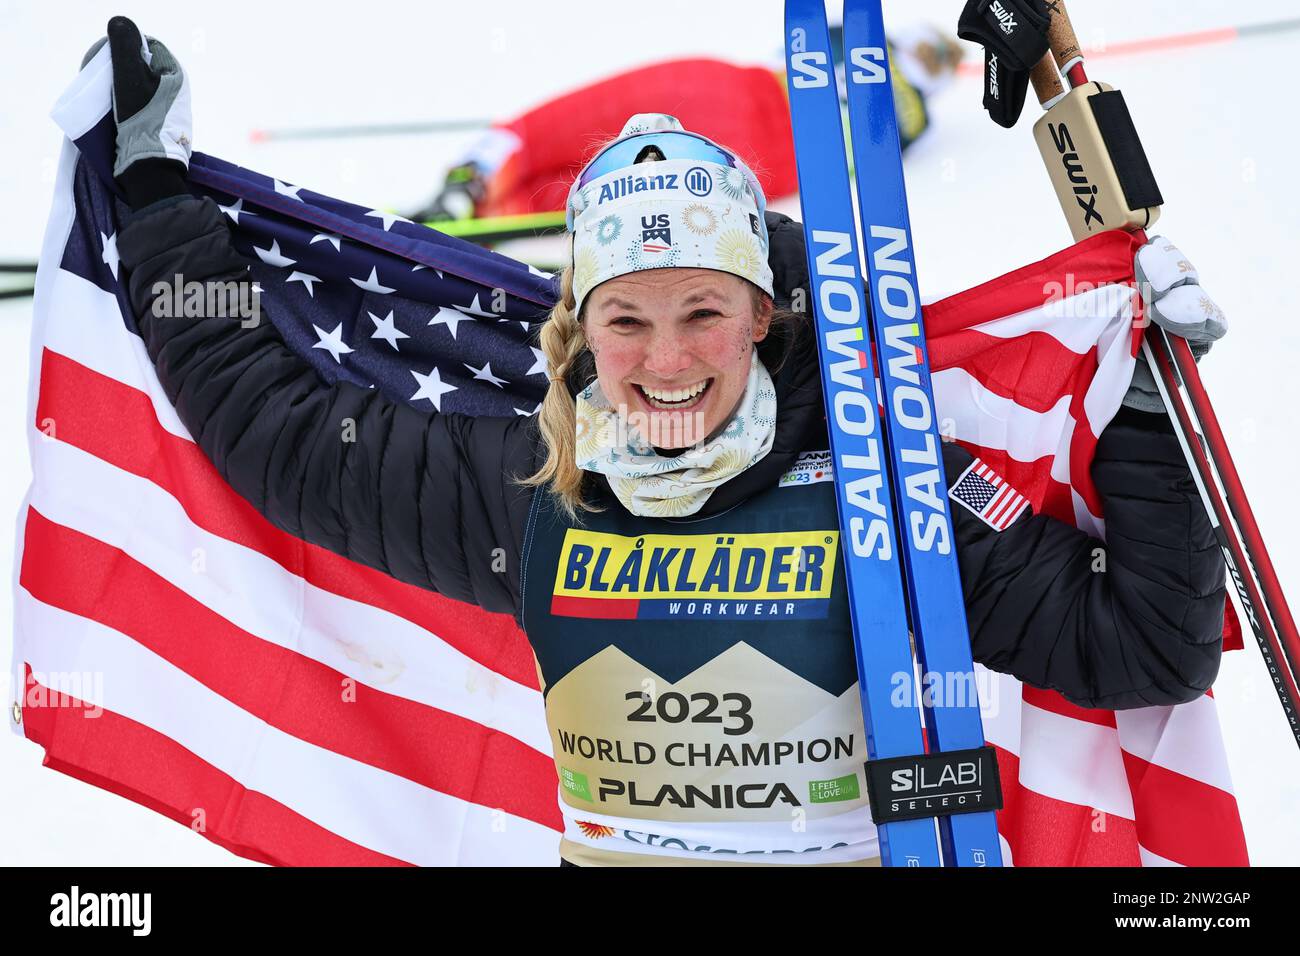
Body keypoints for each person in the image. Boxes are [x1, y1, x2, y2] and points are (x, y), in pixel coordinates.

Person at [98, 17, 1228, 866]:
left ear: (761, 314)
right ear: (581, 330)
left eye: (703, 313)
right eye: (627, 319)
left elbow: (1135, 648)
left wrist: (1138, 402)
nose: (669, 359)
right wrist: (156, 203)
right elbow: (280, 441)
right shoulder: (535, 488)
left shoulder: (885, 486)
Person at [408, 21, 964, 224]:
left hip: (729, 89)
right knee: (605, 183)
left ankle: (474, 182)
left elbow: (794, 43)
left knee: (560, 125)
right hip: (752, 158)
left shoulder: (857, 40)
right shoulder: (906, 125)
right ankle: (500, 206)